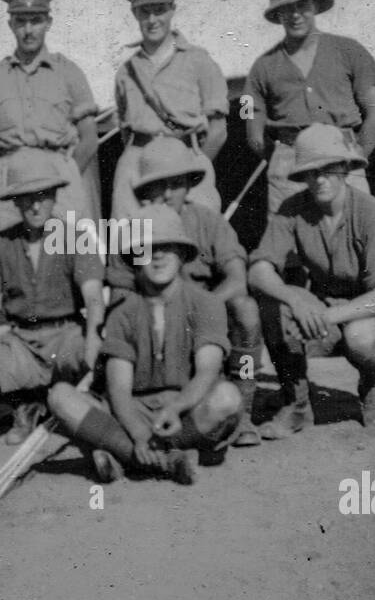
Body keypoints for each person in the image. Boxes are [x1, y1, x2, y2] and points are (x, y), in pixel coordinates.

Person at [50, 205, 243, 484]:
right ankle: (166, 458)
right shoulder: (123, 312)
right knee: (60, 396)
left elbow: (206, 372)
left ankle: (130, 457)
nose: (159, 255)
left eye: (168, 247)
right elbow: (119, 388)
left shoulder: (206, 303)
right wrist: (139, 433)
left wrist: (176, 408)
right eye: (147, 248)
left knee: (227, 397)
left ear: (181, 255)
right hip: (133, 409)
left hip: (187, 405)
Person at [247, 125, 375, 436]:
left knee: (362, 338)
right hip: (326, 305)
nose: (320, 179)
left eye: (329, 169)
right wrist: (295, 298)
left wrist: (327, 316)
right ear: (302, 176)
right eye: (311, 172)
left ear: (346, 168)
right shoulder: (292, 210)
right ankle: (296, 404)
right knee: (272, 303)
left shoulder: (373, 212)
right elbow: (258, 269)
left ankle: (374, 388)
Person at [106, 137, 263, 445]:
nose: (166, 194)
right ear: (144, 191)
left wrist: (199, 311)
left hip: (208, 324)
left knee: (246, 309)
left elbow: (237, 279)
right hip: (151, 326)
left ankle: (243, 412)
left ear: (189, 185)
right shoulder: (131, 230)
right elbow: (120, 296)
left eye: (175, 184)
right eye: (157, 185)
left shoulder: (208, 222)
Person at [0, 153, 105, 444]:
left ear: (54, 196)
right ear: (15, 201)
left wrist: (94, 338)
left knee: (102, 360)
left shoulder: (75, 236)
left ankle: (69, 404)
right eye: (26, 197)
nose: (35, 205)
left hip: (67, 336)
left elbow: (93, 295)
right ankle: (28, 403)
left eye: (43, 195)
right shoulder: (0, 244)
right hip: (22, 341)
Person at [242, 0, 375, 214]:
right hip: (290, 168)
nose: (295, 14)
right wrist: (282, 158)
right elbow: (253, 133)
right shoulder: (262, 67)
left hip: (342, 161)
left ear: (316, 6)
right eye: (286, 8)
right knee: (288, 245)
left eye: (302, 5)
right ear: (277, 15)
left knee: (351, 236)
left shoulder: (349, 51)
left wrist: (354, 155)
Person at [0, 0, 102, 233]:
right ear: (10, 25)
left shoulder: (68, 72)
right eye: (21, 22)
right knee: (12, 259)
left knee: (66, 256)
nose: (28, 30)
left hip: (60, 184)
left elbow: (89, 139)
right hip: (10, 185)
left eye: (35, 21)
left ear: (48, 23)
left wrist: (66, 175)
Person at [110, 0, 229, 221]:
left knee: (201, 231)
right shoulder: (126, 72)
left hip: (186, 159)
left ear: (172, 10)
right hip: (138, 163)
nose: (153, 19)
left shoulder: (199, 61)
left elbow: (218, 130)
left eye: (160, 10)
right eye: (145, 11)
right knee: (130, 238)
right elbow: (124, 131)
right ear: (134, 14)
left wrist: (194, 165)